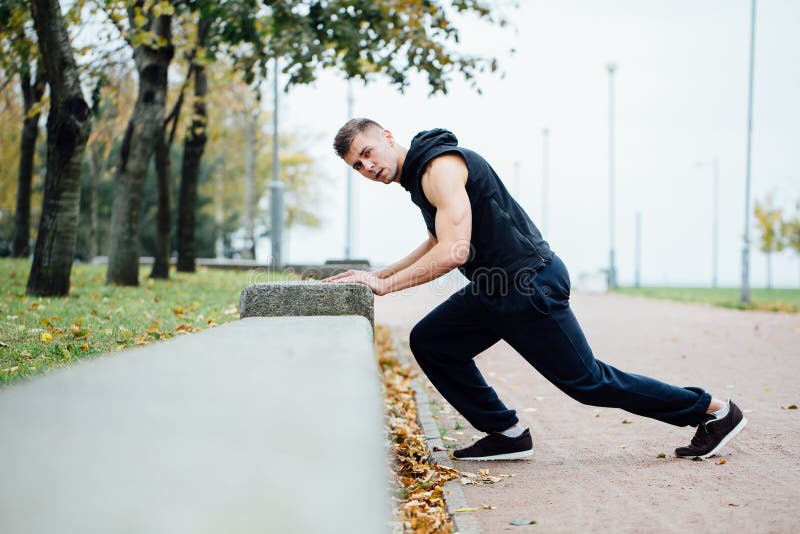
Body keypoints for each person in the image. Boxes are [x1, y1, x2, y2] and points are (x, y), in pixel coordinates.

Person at [323, 118, 747, 461]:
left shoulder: (439, 169)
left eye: (367, 152)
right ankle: (506, 432)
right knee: (432, 340)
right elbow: (438, 238)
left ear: (388, 138)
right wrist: (379, 273)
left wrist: (385, 285)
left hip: (529, 284)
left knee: (588, 382)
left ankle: (712, 411)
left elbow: (454, 250)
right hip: (495, 288)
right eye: (356, 166)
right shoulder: (421, 177)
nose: (367, 167)